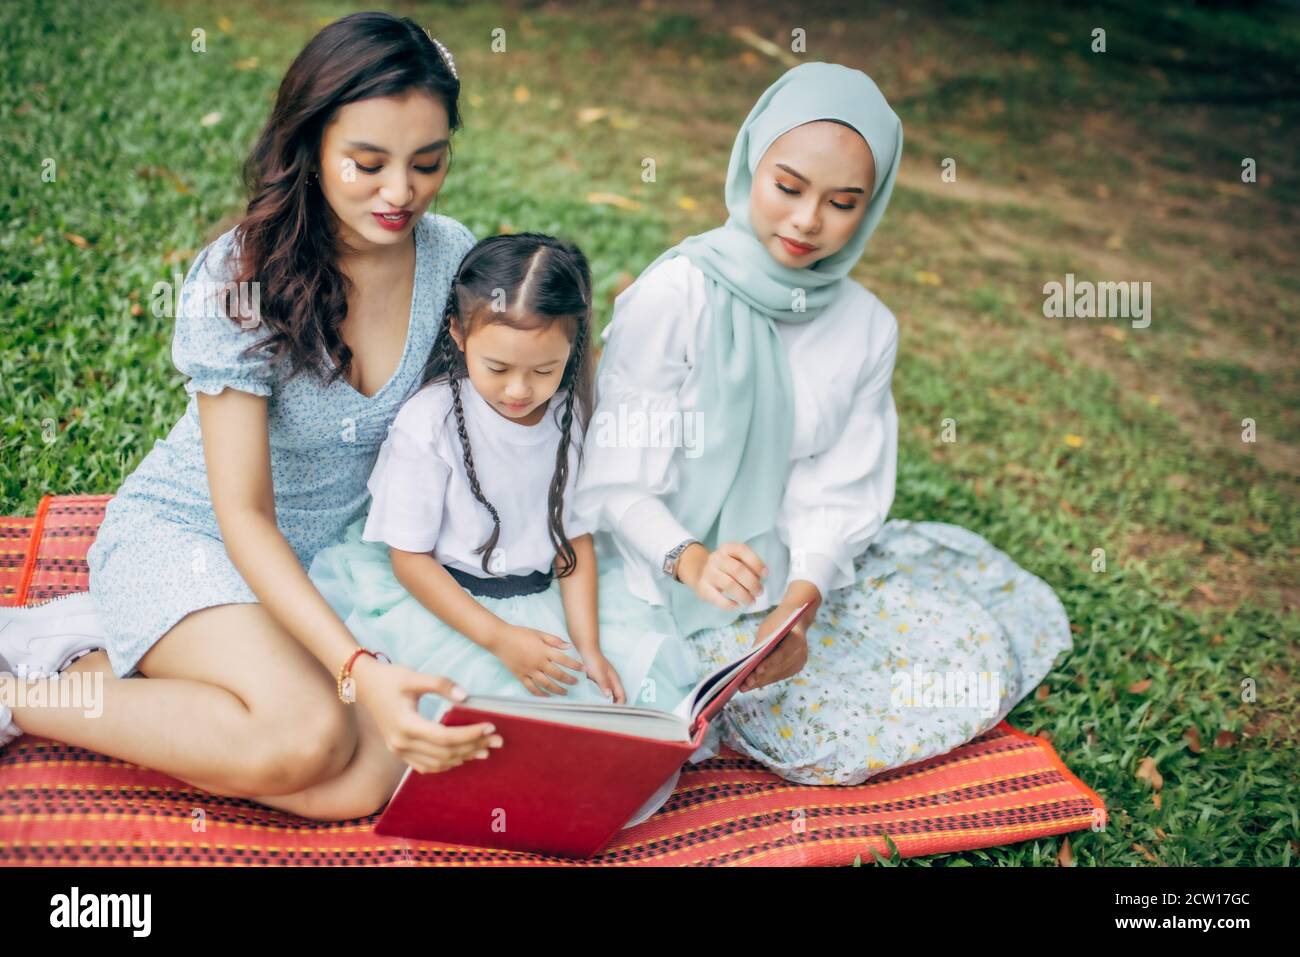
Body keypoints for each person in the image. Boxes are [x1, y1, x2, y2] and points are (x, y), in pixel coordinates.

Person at [0, 14, 500, 820]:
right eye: (367, 163)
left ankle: (116, 662)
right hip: (192, 536)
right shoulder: (242, 276)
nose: (401, 192)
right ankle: (26, 685)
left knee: (369, 777)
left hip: (311, 568)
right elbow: (243, 515)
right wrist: (358, 666)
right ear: (308, 145)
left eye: (428, 162)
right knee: (306, 736)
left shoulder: (450, 255)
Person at [572, 62, 1074, 786]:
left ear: (871, 207)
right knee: (616, 721)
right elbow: (614, 478)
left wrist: (800, 607)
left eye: (842, 202)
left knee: (930, 674)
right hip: (650, 569)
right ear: (751, 164)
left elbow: (834, 486)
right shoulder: (677, 295)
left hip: (775, 582)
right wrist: (692, 559)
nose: (808, 221)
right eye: (787, 187)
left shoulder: (866, 326)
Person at [289, 233, 697, 818]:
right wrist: (500, 640)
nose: (518, 390)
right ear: (458, 334)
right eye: (498, 367)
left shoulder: (569, 421)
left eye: (544, 370)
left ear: (573, 346)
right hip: (445, 606)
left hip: (544, 602)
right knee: (470, 740)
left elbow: (572, 544)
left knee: (594, 727)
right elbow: (411, 560)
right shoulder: (429, 424)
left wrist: (588, 646)